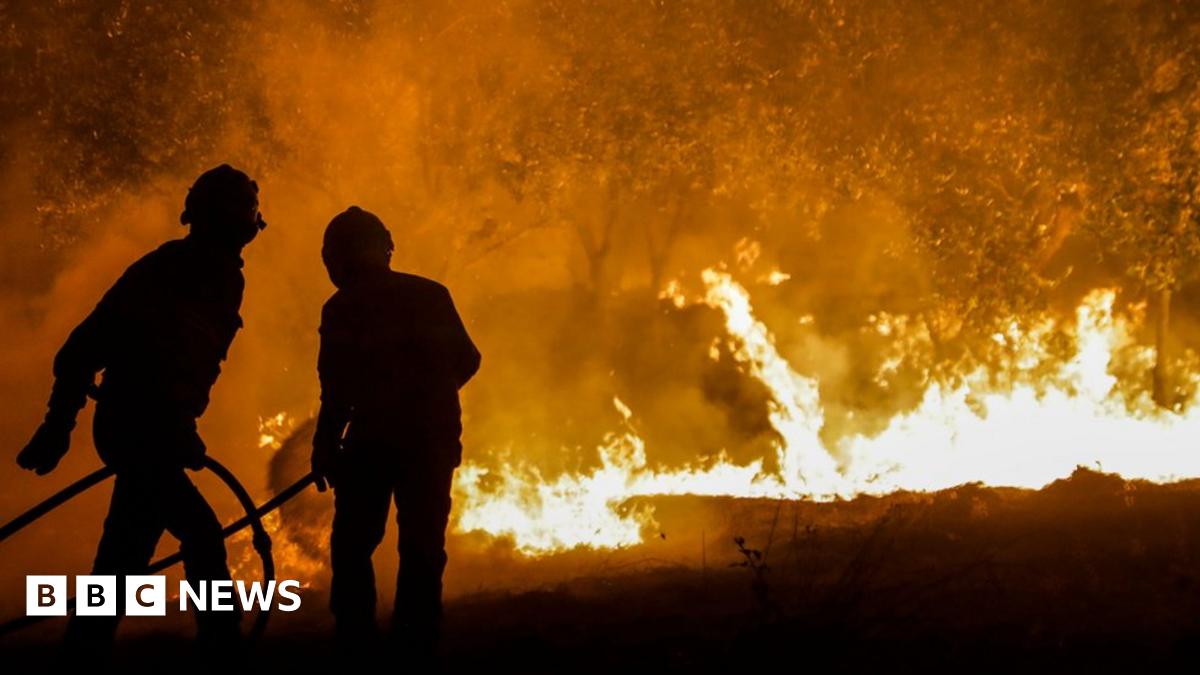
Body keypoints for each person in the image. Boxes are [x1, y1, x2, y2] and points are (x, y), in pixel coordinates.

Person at [16, 164, 266, 654]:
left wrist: (178, 425)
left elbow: (181, 369)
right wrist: (57, 427)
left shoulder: (221, 280)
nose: (241, 241)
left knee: (123, 556)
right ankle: (224, 652)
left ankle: (83, 650)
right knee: (203, 537)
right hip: (136, 429)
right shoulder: (166, 272)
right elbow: (82, 350)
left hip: (158, 433)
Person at [311, 206, 480, 657]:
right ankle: (416, 640)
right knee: (423, 544)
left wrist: (325, 445)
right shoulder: (430, 294)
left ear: (337, 258)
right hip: (431, 442)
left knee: (353, 545)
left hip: (370, 444)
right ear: (386, 248)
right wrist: (430, 398)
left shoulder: (342, 307)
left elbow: (336, 389)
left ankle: (354, 639)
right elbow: (468, 360)